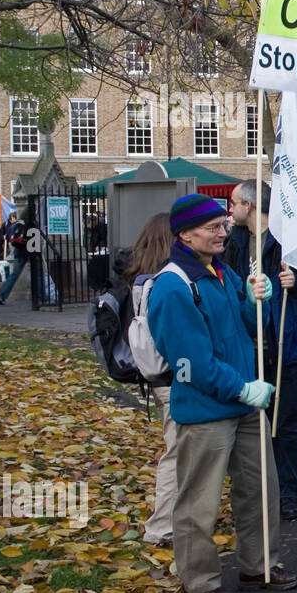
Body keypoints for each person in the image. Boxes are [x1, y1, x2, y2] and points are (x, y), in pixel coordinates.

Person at [146, 194, 297, 593]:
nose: (223, 231)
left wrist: (256, 302)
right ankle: (198, 583)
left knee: (259, 490)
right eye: (213, 227)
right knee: (199, 502)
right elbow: (190, 362)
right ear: (185, 235)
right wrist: (241, 387)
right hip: (207, 410)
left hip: (243, 402)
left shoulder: (222, 271)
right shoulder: (174, 285)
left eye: (223, 224)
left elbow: (251, 329)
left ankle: (260, 564)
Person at [227, 180, 297, 521]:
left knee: (289, 421)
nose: (230, 209)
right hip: (248, 344)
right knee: (254, 423)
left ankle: (290, 490)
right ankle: (259, 490)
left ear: (249, 205)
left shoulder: (288, 240)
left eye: (233, 202)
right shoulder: (234, 243)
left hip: (286, 342)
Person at [124, 213, 178, 546]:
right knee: (177, 453)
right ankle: (162, 527)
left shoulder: (141, 280)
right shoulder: (164, 283)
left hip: (155, 377)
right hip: (172, 378)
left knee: (175, 448)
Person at [0, 210, 28, 305]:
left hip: (19, 251)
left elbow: (7, 237)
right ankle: (42, 297)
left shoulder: (18, 223)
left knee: (14, 275)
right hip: (29, 250)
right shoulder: (30, 222)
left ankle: (2, 295)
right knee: (39, 273)